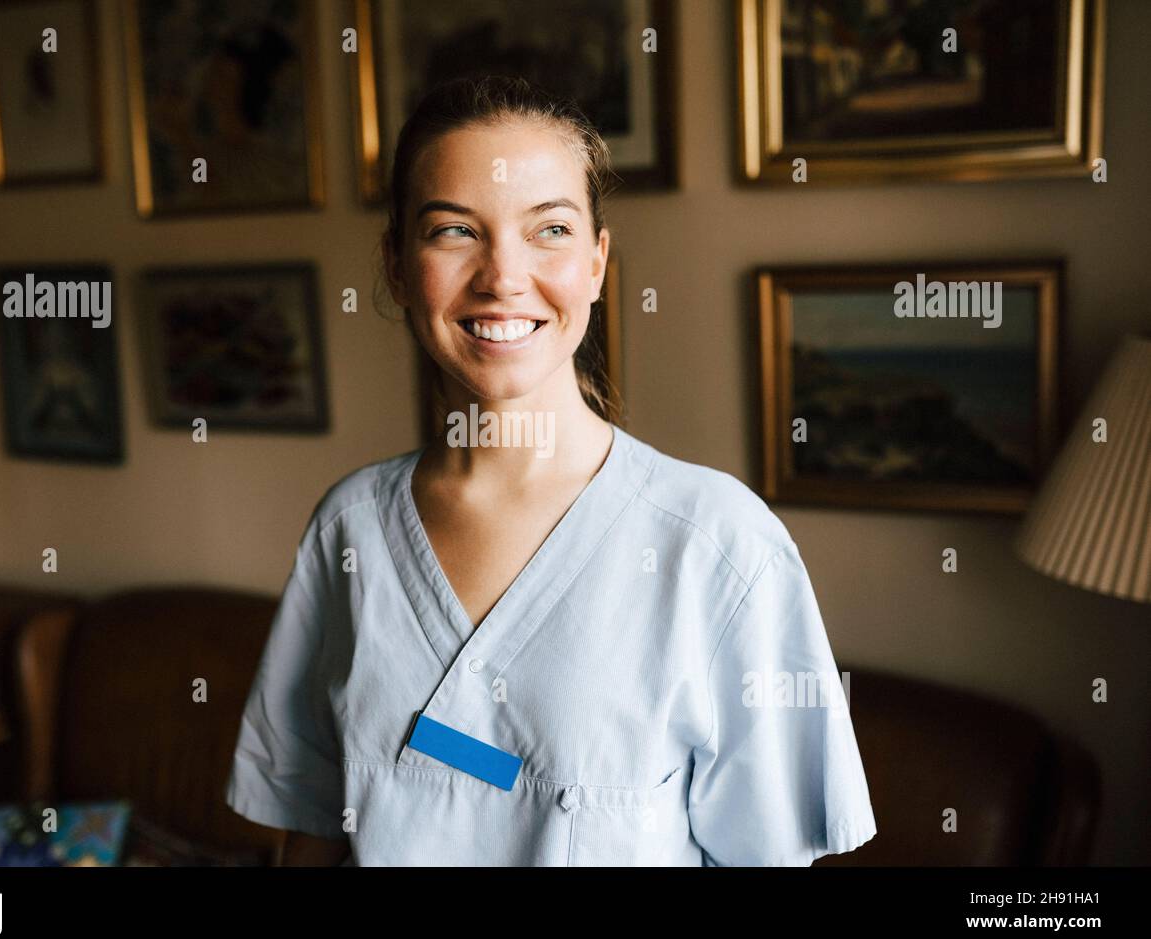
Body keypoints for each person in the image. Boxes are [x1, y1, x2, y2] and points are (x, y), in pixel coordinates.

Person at [224, 75, 877, 866]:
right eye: (455, 231)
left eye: (551, 230)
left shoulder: (719, 546)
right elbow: (312, 835)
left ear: (597, 265)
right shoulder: (348, 530)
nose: (503, 276)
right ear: (397, 266)